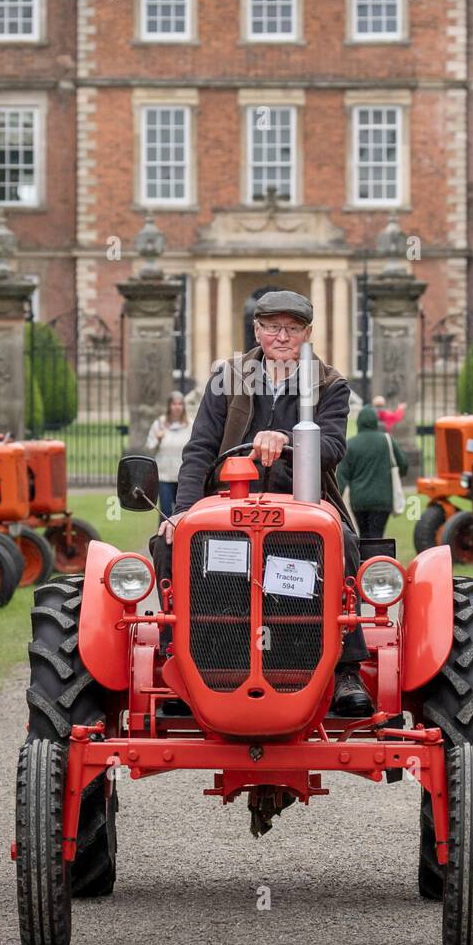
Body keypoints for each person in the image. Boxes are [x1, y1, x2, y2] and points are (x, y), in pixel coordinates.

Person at [150, 288, 374, 716]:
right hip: (228, 498)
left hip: (303, 499)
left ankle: (346, 669)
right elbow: (199, 450)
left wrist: (287, 440)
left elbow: (332, 447)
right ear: (257, 329)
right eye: (272, 327)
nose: (282, 336)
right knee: (170, 543)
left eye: (292, 328)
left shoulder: (330, 384)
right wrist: (180, 512)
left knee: (344, 543)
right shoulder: (227, 377)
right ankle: (178, 660)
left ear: (308, 333)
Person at [338, 405, 408, 539]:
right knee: (377, 535)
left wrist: (336, 502)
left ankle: (365, 559)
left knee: (364, 535)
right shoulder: (386, 440)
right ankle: (376, 559)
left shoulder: (351, 444)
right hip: (382, 500)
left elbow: (342, 476)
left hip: (359, 501)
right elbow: (403, 464)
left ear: (359, 422)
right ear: (376, 421)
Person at [145, 391, 194, 519]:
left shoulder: (191, 425)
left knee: (183, 513)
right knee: (165, 513)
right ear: (169, 406)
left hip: (183, 476)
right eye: (174, 404)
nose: (177, 407)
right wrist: (158, 439)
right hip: (164, 476)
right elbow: (150, 447)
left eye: (180, 404)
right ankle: (164, 539)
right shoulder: (160, 424)